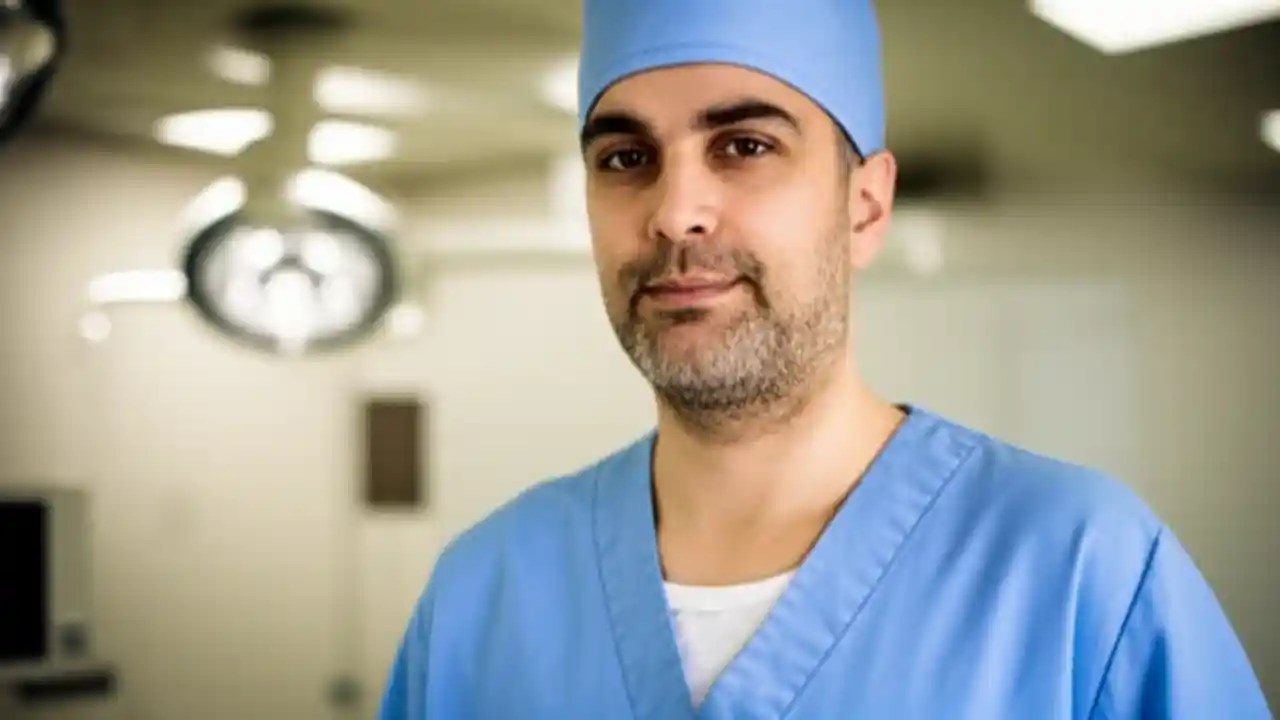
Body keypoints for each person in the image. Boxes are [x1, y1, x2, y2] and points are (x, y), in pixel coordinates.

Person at [378, 0, 1271, 717]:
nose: (674, 210)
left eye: (746, 146)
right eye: (625, 156)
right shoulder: (482, 597)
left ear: (866, 208)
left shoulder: (1080, 571)